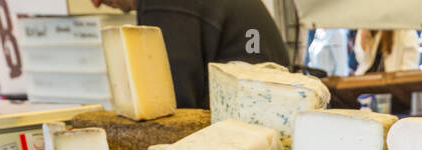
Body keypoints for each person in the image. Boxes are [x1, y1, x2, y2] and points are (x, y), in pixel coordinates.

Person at [90, 0, 291, 109]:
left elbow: (173, 105)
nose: (95, 3)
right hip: (266, 121)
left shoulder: (166, 5)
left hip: (246, 140)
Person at [353, 30, 421, 74]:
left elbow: (409, 69)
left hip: (392, 88)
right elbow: (361, 60)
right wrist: (363, 40)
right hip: (367, 83)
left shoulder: (406, 32)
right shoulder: (374, 31)